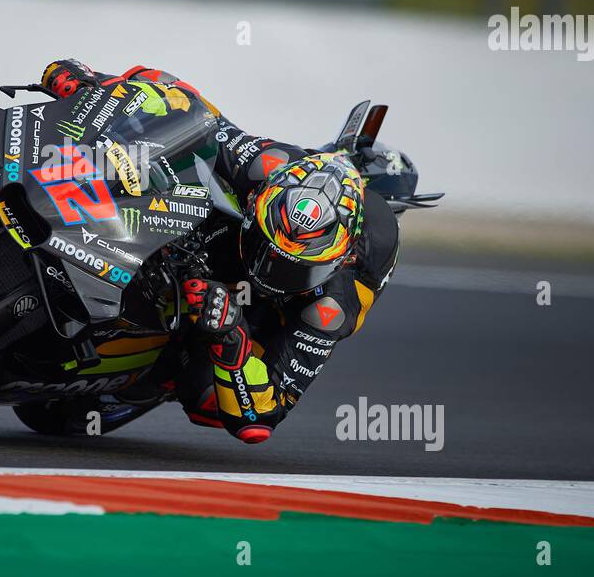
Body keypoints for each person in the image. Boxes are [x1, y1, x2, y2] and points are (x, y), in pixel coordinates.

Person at [40, 59, 400, 444]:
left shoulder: (330, 306)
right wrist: (94, 86)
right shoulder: (267, 166)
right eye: (266, 247)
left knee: (205, 395)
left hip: (260, 315)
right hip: (224, 229)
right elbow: (186, 106)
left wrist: (232, 336)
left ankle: (147, 381)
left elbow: (263, 416)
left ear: (333, 261)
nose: (268, 267)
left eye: (290, 267)